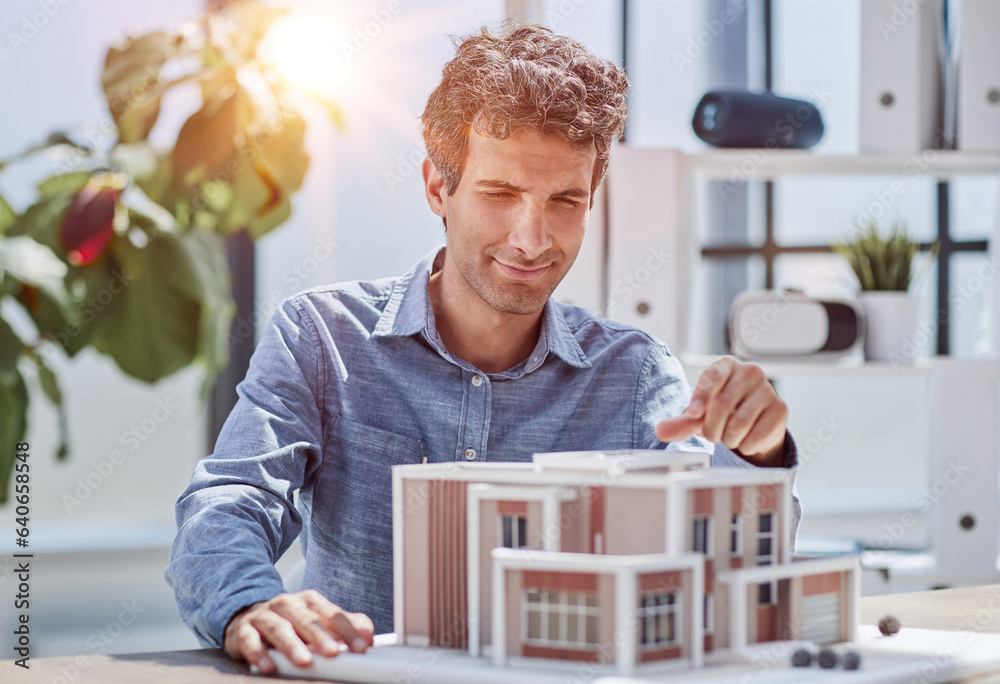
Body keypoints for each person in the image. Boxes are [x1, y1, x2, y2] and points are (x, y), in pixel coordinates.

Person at [166, 21, 800, 675]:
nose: (532, 238)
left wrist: (757, 454)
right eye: (501, 194)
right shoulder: (322, 338)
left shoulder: (634, 372)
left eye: (565, 201)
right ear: (439, 188)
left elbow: (724, 563)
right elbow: (232, 498)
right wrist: (249, 604)